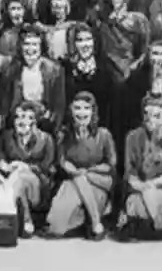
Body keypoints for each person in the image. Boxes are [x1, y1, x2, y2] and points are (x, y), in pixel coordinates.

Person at [46, 91, 115, 240]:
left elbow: (110, 165)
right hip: (73, 179)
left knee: (81, 179)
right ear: (71, 111)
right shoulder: (64, 135)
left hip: (98, 180)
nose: (81, 112)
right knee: (56, 227)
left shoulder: (104, 135)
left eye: (86, 108)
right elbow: (63, 161)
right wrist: (77, 172)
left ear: (93, 111)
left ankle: (96, 222)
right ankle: (89, 222)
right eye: (77, 108)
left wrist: (88, 171)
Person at [118, 95, 162, 241]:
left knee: (158, 198)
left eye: (156, 116)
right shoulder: (132, 137)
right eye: (147, 115)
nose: (151, 120)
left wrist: (153, 185)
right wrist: (142, 186)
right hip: (140, 187)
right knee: (135, 202)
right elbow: (130, 173)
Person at [0, 101, 56, 238]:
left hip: (38, 185)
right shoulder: (7, 137)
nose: (22, 121)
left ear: (35, 121)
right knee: (19, 179)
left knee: (20, 176)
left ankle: (25, 220)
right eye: (18, 117)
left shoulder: (46, 139)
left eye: (27, 117)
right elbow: (0, 157)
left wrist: (26, 167)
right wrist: (3, 165)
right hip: (13, 181)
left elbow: (47, 166)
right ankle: (26, 220)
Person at [120, 37, 162, 145]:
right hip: (143, 134)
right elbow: (131, 110)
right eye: (155, 53)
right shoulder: (137, 78)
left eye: (161, 54)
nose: (158, 58)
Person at [0, 28, 65, 133]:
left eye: (34, 44)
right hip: (16, 124)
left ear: (41, 47)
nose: (30, 49)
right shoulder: (11, 70)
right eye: (27, 44)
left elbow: (58, 106)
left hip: (44, 125)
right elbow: (4, 105)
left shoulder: (54, 70)